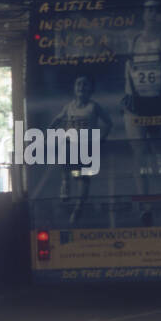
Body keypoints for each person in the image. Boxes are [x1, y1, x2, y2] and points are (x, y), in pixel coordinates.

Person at [121, 0, 161, 195]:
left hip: (156, 102)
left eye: (155, 10)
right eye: (148, 10)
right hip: (134, 102)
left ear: (160, 16)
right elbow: (101, 37)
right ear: (143, 14)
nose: (151, 14)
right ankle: (144, 201)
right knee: (139, 153)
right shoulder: (131, 39)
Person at [48, 74, 112, 224]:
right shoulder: (69, 106)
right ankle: (65, 184)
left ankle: (78, 208)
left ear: (91, 89)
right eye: (79, 84)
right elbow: (57, 119)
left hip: (87, 146)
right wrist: (49, 131)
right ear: (74, 88)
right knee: (65, 163)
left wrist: (101, 138)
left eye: (85, 84)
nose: (81, 87)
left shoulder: (94, 107)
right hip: (71, 144)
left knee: (82, 178)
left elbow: (109, 123)